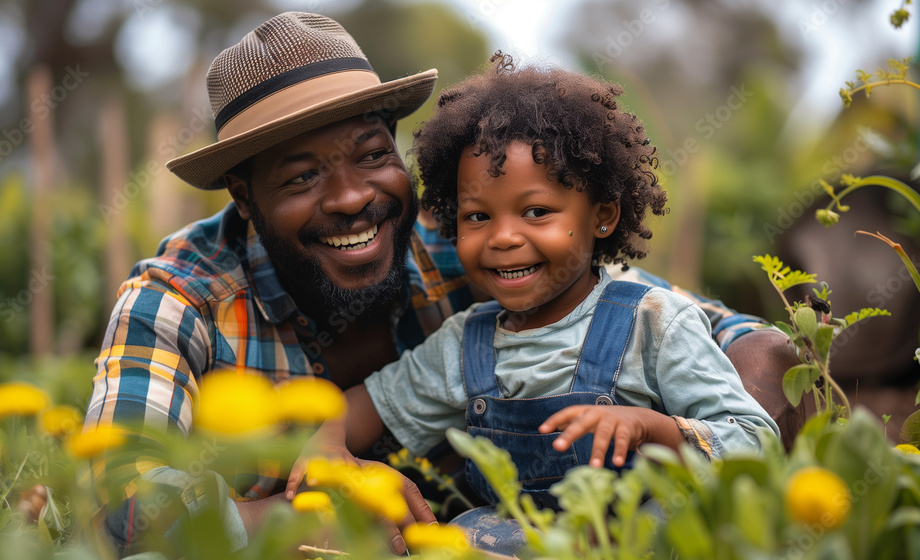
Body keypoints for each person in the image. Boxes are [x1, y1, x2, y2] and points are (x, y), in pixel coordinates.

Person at [85, 11, 799, 559]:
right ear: (243, 198)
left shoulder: (472, 244)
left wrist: (690, 428)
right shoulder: (180, 299)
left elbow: (698, 328)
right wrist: (317, 503)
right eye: (302, 177)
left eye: (371, 155)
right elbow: (121, 502)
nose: (350, 198)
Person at [284, 54, 780, 552]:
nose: (502, 238)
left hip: (639, 534)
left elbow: (754, 440)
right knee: (455, 538)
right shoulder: (466, 343)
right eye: (477, 216)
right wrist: (327, 443)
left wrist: (651, 427)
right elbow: (360, 407)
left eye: (536, 211)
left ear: (603, 216)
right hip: (523, 539)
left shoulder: (653, 322)